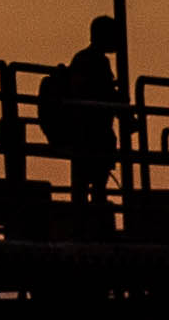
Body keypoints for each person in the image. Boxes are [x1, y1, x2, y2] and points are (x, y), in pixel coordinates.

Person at [34, 21, 121, 212]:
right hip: (87, 131)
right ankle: (88, 213)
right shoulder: (90, 61)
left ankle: (88, 211)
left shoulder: (87, 59)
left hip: (88, 130)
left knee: (88, 178)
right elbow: (91, 93)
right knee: (89, 178)